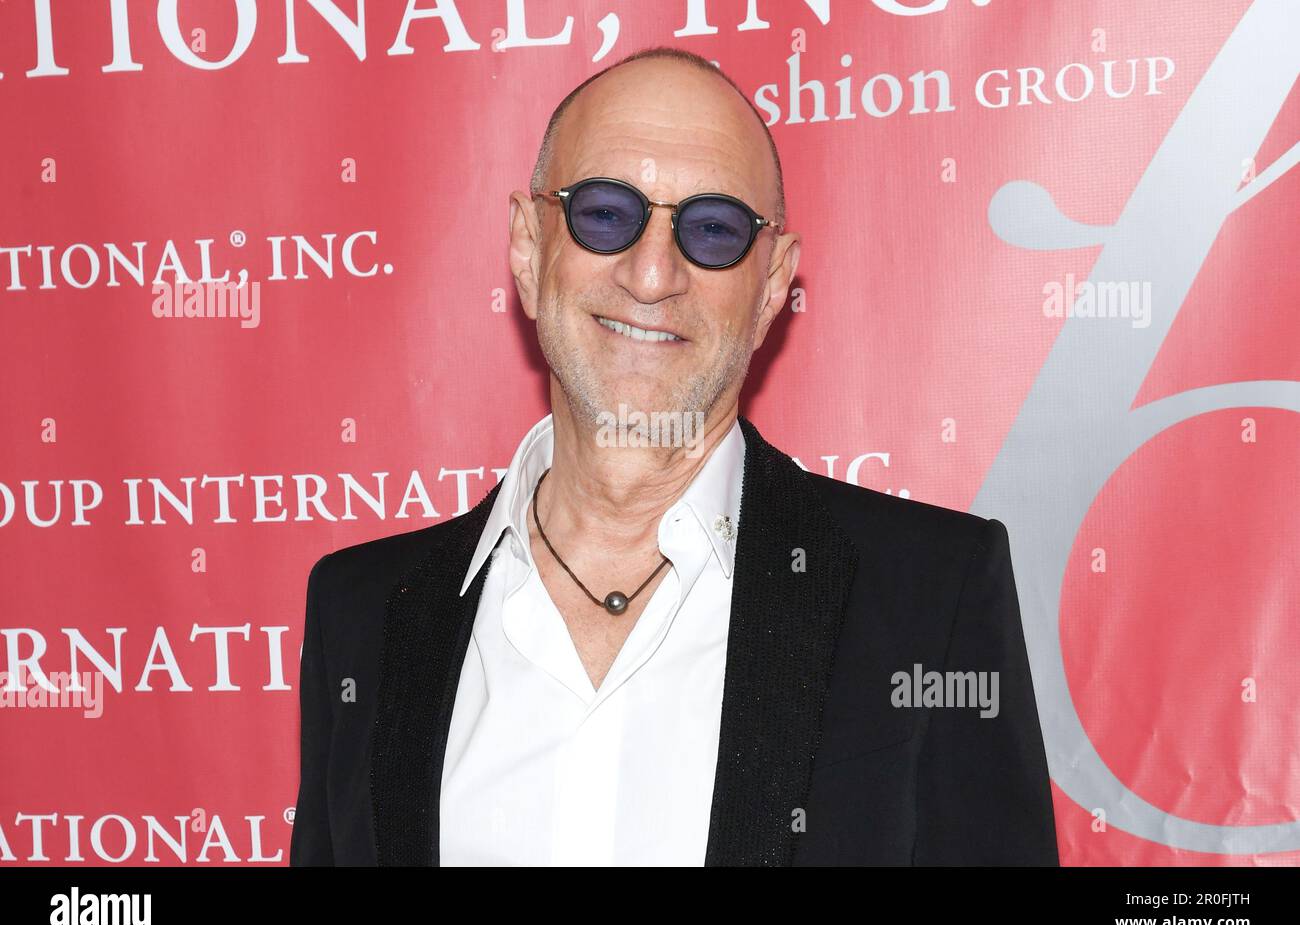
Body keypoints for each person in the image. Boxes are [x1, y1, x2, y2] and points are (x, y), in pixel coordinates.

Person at [290, 45, 1057, 866]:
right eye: (606, 213)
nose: (653, 273)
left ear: (770, 288)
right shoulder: (362, 613)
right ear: (527, 246)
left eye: (713, 229)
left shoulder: (929, 597)